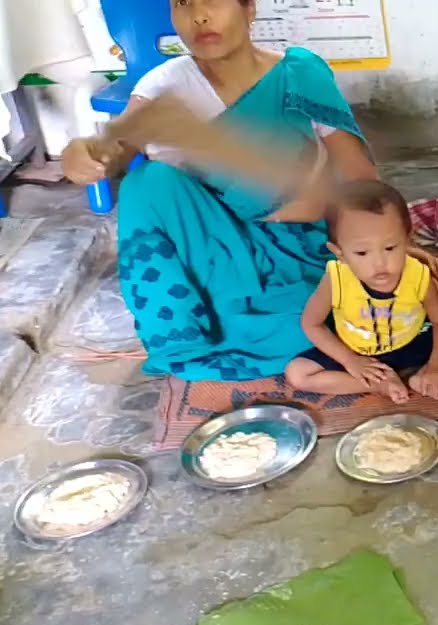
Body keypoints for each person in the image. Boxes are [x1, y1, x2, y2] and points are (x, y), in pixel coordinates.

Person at [60, 0, 375, 381]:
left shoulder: (299, 74)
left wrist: (332, 208)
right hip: (212, 257)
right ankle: (187, 336)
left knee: (348, 313)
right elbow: (117, 146)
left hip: (297, 246)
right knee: (148, 185)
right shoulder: (163, 86)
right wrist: (83, 153)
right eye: (182, 3)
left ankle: (259, 326)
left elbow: (360, 176)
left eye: (214, 0)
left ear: (250, 8)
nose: (199, 16)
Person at [283, 180, 438, 404]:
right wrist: (350, 361)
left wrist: (437, 366)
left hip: (412, 341)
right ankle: (380, 383)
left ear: (407, 240)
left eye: (390, 248)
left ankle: (426, 374)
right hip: (358, 352)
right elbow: (312, 323)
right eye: (361, 252)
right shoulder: (335, 278)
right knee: (298, 373)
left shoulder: (418, 274)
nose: (379, 263)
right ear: (339, 252)